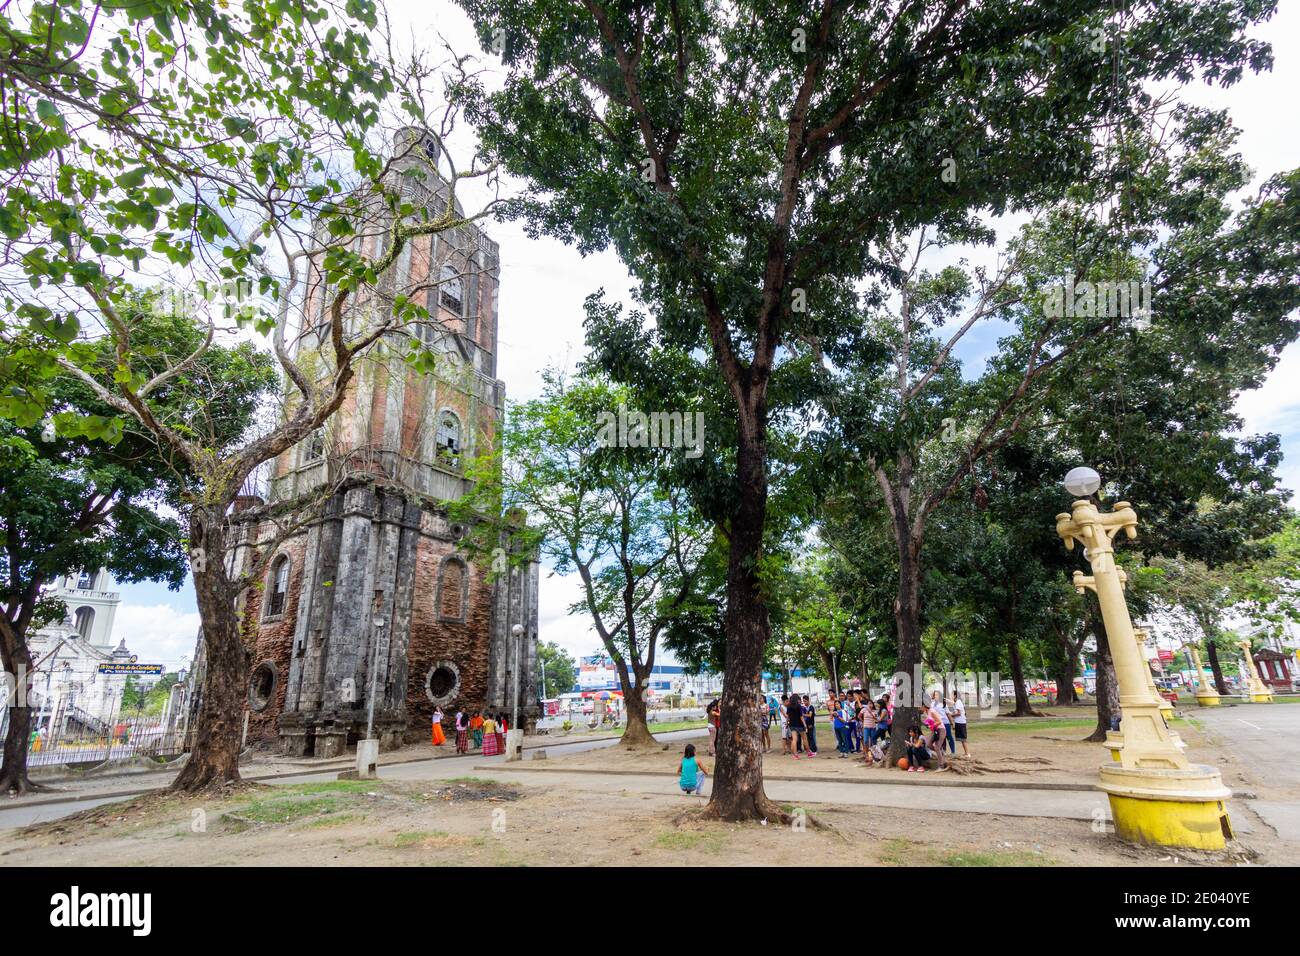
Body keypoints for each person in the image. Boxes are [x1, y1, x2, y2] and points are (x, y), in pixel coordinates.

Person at [931, 690, 956, 755]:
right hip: (937, 724)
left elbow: (948, 714)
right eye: (935, 695)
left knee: (948, 736)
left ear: (940, 696)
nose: (935, 696)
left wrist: (952, 723)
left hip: (945, 723)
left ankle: (953, 752)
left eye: (937, 695)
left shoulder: (943, 704)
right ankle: (943, 751)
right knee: (941, 737)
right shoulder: (932, 704)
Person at [949, 691, 970, 757]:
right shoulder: (957, 702)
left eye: (952, 695)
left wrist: (951, 715)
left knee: (963, 739)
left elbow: (959, 713)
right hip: (959, 722)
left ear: (955, 696)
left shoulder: (958, 702)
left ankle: (967, 753)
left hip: (961, 723)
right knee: (961, 739)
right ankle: (966, 753)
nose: (951, 696)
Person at [787, 692, 806, 759]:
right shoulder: (798, 706)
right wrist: (804, 724)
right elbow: (801, 716)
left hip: (792, 725)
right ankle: (809, 752)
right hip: (799, 725)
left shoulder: (789, 707)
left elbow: (788, 717)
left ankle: (795, 755)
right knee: (804, 739)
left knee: (794, 739)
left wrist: (787, 723)